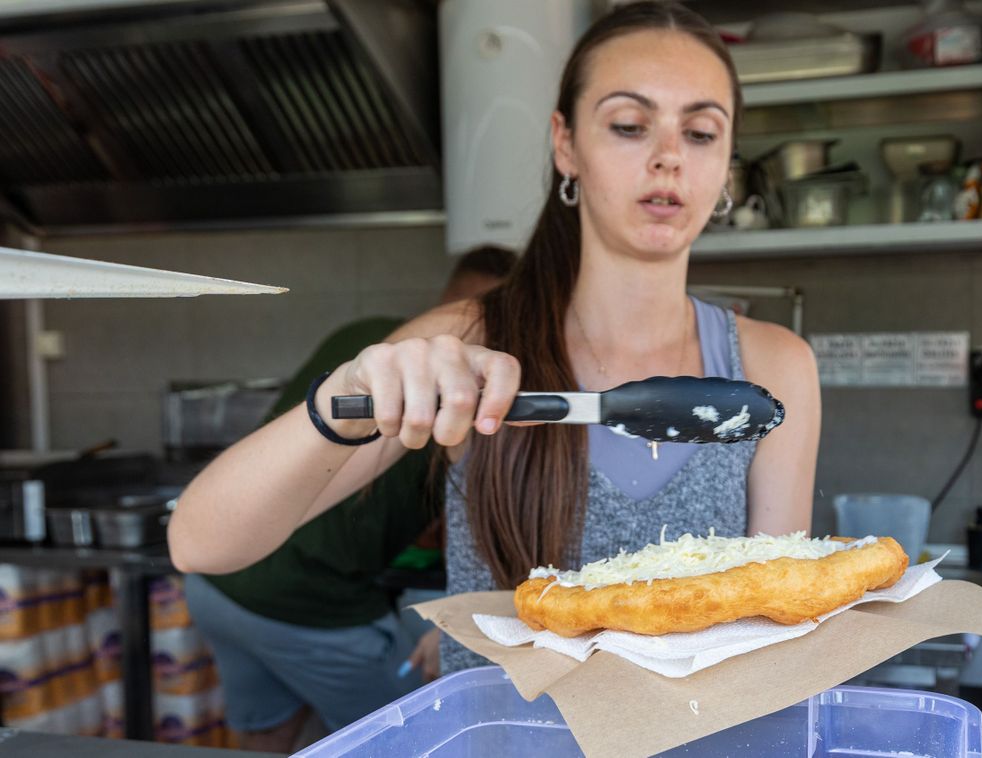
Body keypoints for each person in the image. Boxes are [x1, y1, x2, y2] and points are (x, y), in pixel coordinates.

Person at [171, 0, 819, 698]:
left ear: (726, 165)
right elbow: (203, 545)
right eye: (629, 126)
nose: (667, 156)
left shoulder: (773, 367)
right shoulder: (464, 342)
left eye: (699, 132)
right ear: (565, 144)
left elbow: (770, 617)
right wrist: (344, 401)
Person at [181, 246, 516, 753]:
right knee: (417, 739)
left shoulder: (363, 338)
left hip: (214, 589)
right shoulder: (467, 396)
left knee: (266, 732)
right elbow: (479, 521)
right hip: (307, 599)